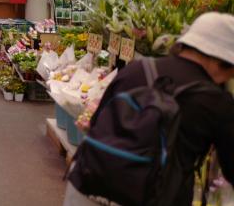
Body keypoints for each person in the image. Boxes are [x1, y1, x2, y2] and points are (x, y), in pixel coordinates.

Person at [64, 12, 234, 206]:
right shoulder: (217, 102)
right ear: (222, 61)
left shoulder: (137, 69)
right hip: (149, 196)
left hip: (88, 185)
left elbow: (95, 123)